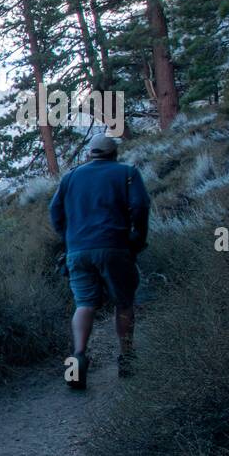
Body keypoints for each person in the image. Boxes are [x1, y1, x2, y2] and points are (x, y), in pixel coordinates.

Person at [48, 133, 150, 389]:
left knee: (84, 304)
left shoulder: (70, 177)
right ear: (114, 154)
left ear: (88, 154)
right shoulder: (127, 173)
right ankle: (126, 357)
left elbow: (55, 211)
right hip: (115, 247)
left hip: (78, 250)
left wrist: (69, 237)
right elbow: (140, 206)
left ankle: (78, 357)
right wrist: (138, 237)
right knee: (124, 303)